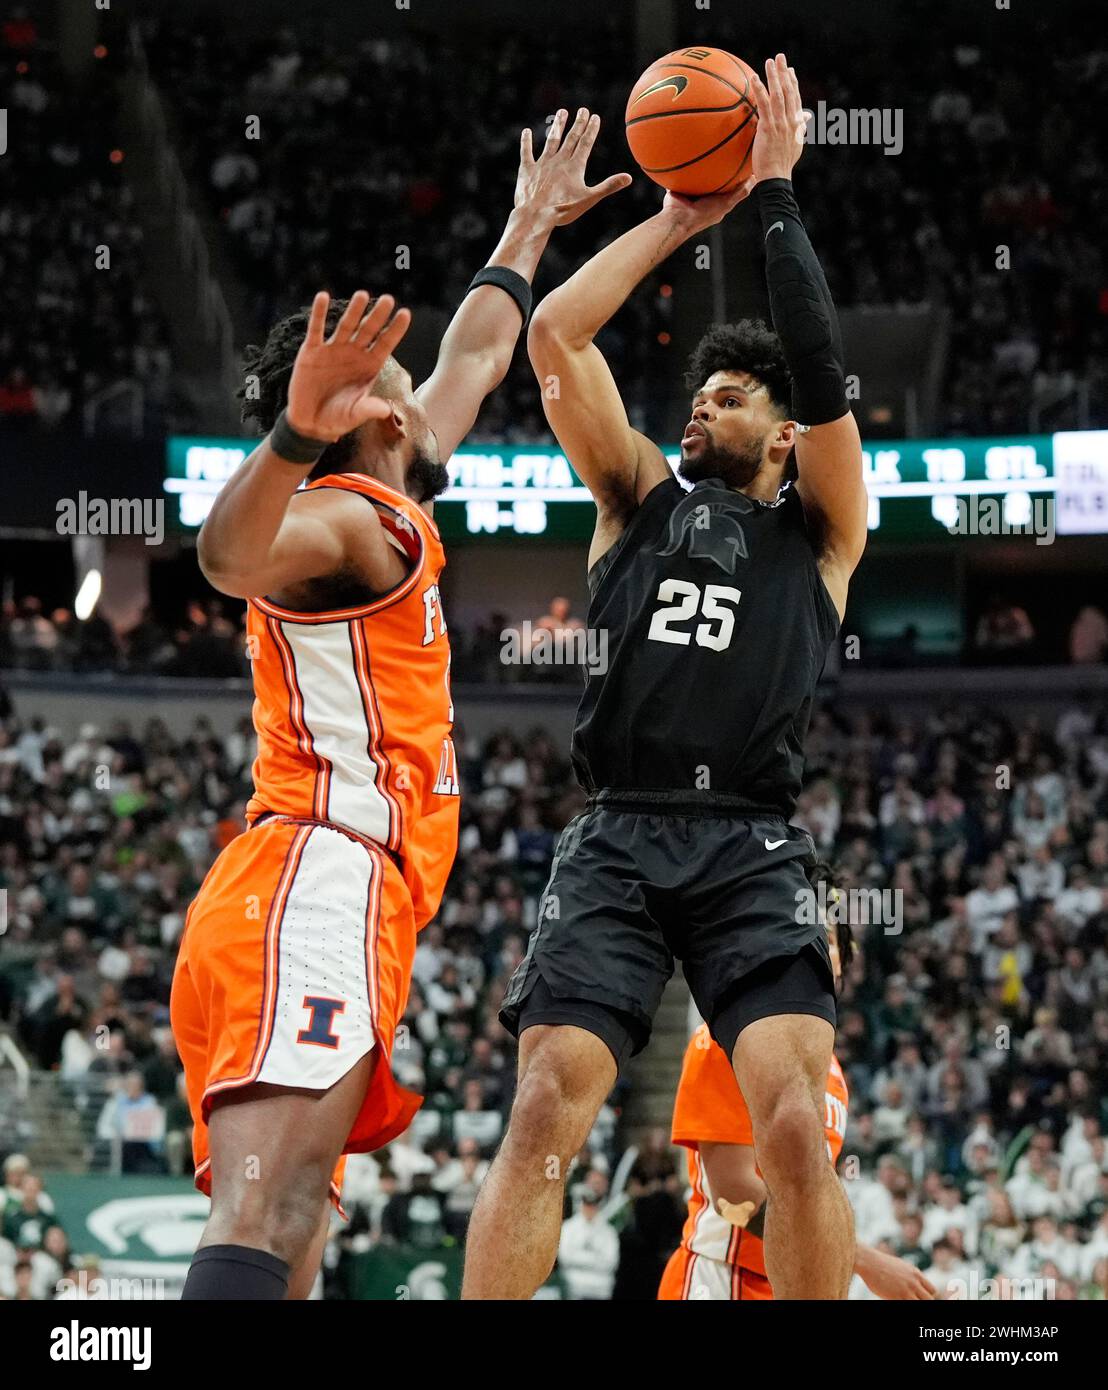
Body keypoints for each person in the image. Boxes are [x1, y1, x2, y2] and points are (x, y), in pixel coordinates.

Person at [171, 109, 630, 1301]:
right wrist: (288, 436)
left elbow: (478, 351)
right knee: (267, 1209)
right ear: (370, 419)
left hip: (350, 893)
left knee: (297, 1235)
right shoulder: (342, 521)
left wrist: (530, 222)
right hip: (314, 873)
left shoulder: (396, 496)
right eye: (390, 382)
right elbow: (224, 559)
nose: (419, 386)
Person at [464, 55, 868, 1302]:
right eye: (695, 391)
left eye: (730, 396)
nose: (700, 405)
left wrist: (778, 196)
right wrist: (678, 216)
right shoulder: (639, 494)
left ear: (785, 432)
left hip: (750, 840)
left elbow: (817, 355)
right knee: (541, 1112)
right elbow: (552, 334)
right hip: (621, 834)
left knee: (794, 1131)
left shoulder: (824, 528)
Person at [658, 865, 935, 1300]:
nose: (811, 949)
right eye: (799, 932)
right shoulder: (723, 1039)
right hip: (720, 1277)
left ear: (844, 960)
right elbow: (733, 1193)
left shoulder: (835, 1072)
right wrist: (863, 1261)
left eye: (825, 939)